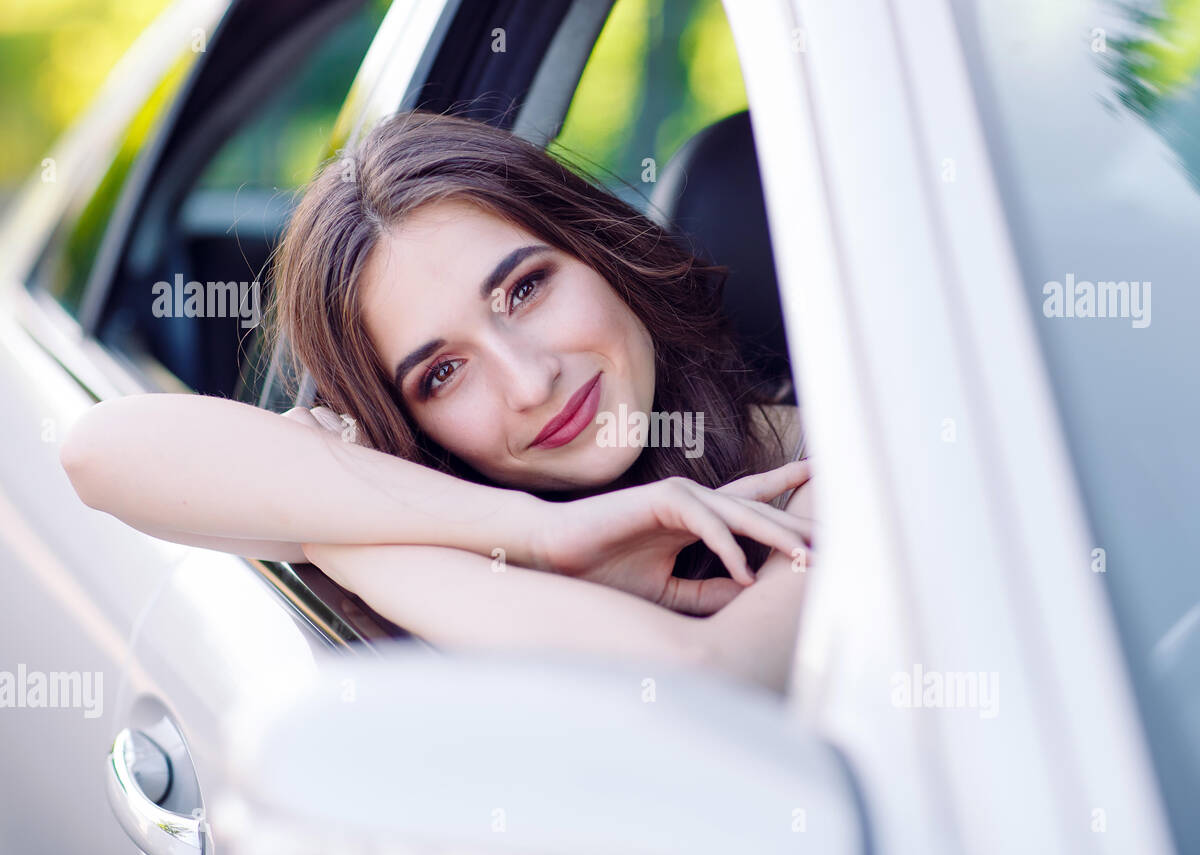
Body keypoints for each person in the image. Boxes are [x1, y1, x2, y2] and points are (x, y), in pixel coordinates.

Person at [60, 111, 815, 693]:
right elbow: (95, 451)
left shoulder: (827, 470)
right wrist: (542, 535)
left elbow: (708, 680)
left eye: (525, 289)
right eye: (442, 374)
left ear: (599, 249)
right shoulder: (451, 505)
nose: (529, 380)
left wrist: (335, 532)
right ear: (410, 427)